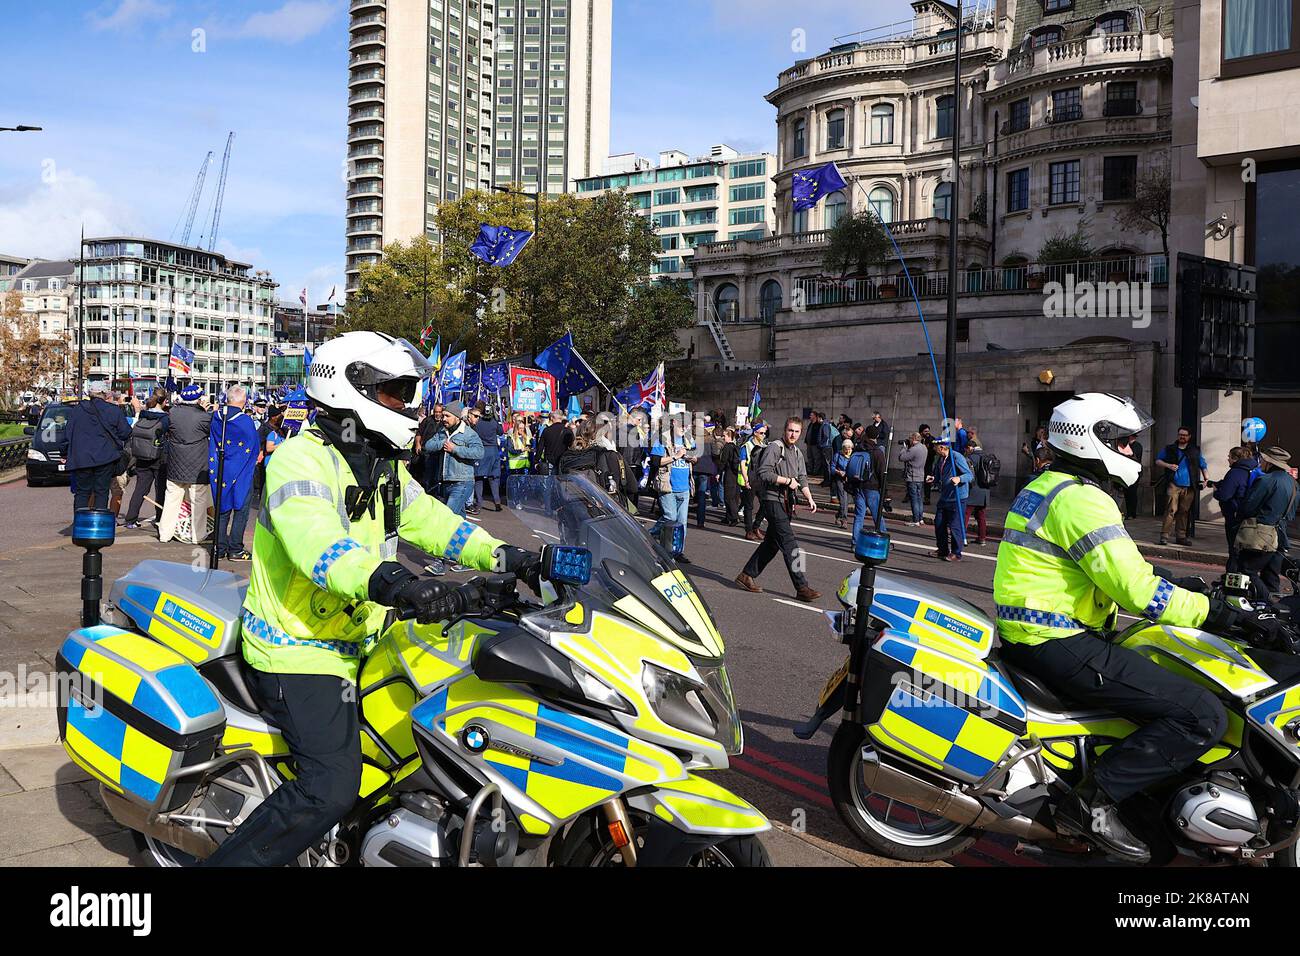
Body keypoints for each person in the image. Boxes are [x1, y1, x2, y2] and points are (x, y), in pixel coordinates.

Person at [204, 332, 539, 867]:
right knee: (330, 785)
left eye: (408, 392)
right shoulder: (299, 460)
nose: (406, 405)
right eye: (396, 392)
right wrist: (395, 583)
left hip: (367, 638)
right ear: (348, 390)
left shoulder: (381, 464)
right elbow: (319, 546)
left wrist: (510, 557)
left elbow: (436, 524)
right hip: (300, 650)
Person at [993, 393, 1284, 863]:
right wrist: (1221, 615)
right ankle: (1091, 804)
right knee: (1200, 715)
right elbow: (1139, 595)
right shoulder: (1083, 501)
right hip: (1057, 640)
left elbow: (1112, 566)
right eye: (1125, 442)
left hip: (1041, 635)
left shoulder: (1051, 485)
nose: (1132, 452)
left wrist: (1179, 581)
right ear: (1093, 441)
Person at [734, 417, 820, 602]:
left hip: (786, 502)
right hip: (772, 500)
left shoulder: (797, 452)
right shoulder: (775, 447)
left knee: (772, 544)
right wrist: (787, 481)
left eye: (797, 432)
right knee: (790, 545)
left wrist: (810, 498)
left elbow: (802, 478)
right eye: (790, 430)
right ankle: (802, 587)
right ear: (784, 430)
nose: (793, 434)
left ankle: (746, 575)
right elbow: (764, 473)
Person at [1234, 446, 1298, 596]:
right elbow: (1292, 513)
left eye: (1262, 459)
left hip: (1261, 533)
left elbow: (1248, 507)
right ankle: (1270, 605)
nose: (1260, 462)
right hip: (1280, 534)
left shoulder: (1266, 480)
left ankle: (1264, 600)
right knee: (1271, 575)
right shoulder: (1293, 483)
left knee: (1247, 570)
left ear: (1270, 463)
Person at [65, 381, 135, 516]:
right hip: (105, 457)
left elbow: (68, 434)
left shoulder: (77, 410)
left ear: (90, 394)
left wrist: (65, 452)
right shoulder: (113, 410)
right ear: (105, 393)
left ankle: (80, 526)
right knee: (101, 492)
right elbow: (125, 433)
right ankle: (98, 526)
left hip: (81, 458)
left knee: (82, 493)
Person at [208, 385, 260, 561]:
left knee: (222, 510)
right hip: (242, 471)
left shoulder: (216, 417)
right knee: (241, 510)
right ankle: (235, 548)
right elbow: (253, 445)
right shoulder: (245, 420)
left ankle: (219, 547)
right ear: (244, 401)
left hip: (222, 469)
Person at [158, 385, 214, 545]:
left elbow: (164, 429)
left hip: (175, 463)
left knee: (171, 500)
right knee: (198, 502)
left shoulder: (172, 414)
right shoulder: (203, 417)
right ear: (198, 399)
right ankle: (198, 535)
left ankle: (164, 534)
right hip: (197, 466)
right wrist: (204, 410)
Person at [426, 400, 483, 519]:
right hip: (445, 482)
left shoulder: (469, 434)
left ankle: (441, 538)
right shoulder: (442, 432)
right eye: (443, 416)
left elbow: (479, 452)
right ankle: (464, 537)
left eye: (447, 416)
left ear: (457, 417)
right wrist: (442, 443)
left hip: (462, 482)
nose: (443, 419)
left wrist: (456, 449)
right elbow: (428, 445)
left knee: (447, 516)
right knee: (459, 519)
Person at [123, 390, 171, 529]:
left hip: (142, 455)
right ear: (163, 402)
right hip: (159, 456)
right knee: (160, 489)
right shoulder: (165, 418)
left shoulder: (144, 414)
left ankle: (131, 519)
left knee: (140, 489)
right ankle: (160, 518)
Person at [1155, 426, 1207, 546]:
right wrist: (1168, 465)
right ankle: (1164, 536)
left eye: (1184, 435)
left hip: (1189, 486)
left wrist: (1206, 479)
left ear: (1189, 437)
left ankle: (1181, 536)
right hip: (1174, 483)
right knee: (1171, 510)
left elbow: (1203, 464)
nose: (1181, 437)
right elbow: (1158, 461)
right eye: (1180, 434)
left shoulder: (1194, 450)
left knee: (1184, 511)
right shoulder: (1170, 449)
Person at [1211, 445, 1259, 569]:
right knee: (1244, 551)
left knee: (1234, 551)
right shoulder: (1253, 469)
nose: (1228, 459)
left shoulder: (1235, 472)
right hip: (1249, 515)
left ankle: (1232, 578)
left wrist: (1216, 491)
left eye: (1229, 457)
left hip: (1235, 516)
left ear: (1235, 458)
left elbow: (1224, 495)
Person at [648, 438, 694, 564]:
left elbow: (695, 458)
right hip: (667, 486)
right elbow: (656, 461)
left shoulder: (689, 440)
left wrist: (692, 459)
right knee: (670, 517)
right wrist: (676, 456)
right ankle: (649, 534)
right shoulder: (661, 440)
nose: (686, 427)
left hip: (684, 487)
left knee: (682, 522)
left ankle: (678, 552)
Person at [927, 438, 972, 561]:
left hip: (957, 498)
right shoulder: (940, 459)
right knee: (939, 523)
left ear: (941, 448)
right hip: (945, 497)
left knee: (955, 526)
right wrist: (934, 479)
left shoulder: (956, 457)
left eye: (935, 447)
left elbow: (969, 475)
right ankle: (942, 550)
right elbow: (939, 474)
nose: (934, 449)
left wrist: (959, 479)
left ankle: (956, 553)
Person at [470, 403, 504, 514]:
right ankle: (497, 502)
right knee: (493, 477)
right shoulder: (494, 422)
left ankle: (479, 503)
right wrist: (497, 419)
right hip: (493, 451)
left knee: (479, 477)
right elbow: (501, 432)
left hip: (482, 451)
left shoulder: (478, 423)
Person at [739, 422, 768, 541]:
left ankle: (756, 527)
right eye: (761, 433)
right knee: (749, 506)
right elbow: (742, 464)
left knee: (766, 503)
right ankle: (749, 531)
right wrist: (746, 480)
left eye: (764, 433)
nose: (763, 435)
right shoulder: (746, 446)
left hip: (761, 479)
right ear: (755, 433)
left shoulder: (764, 446)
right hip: (750, 479)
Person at [963, 432, 990, 546]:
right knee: (981, 516)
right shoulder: (987, 456)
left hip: (974, 490)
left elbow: (969, 475)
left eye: (967, 449)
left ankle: (961, 536)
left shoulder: (971, 458)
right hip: (985, 490)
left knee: (966, 514)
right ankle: (982, 538)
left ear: (970, 447)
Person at [414, 402, 445, 497]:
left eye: (439, 412)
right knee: (424, 476)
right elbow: (419, 433)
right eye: (436, 412)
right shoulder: (427, 420)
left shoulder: (445, 422)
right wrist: (418, 444)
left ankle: (434, 495)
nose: (437, 414)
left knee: (435, 477)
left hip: (438, 454)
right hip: (425, 453)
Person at [898, 431, 928, 526]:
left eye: (910, 439)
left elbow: (902, 457)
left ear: (913, 439)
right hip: (920, 476)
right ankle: (920, 518)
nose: (909, 441)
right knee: (919, 498)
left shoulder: (914, 449)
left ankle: (916, 520)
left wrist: (904, 447)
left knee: (914, 499)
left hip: (912, 477)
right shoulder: (924, 447)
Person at [717, 427, 742, 526]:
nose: (723, 438)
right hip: (736, 473)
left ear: (729, 436)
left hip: (729, 473)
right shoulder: (736, 447)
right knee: (735, 496)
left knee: (728, 497)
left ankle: (734, 517)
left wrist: (719, 473)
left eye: (724, 436)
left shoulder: (727, 447)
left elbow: (723, 462)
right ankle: (728, 517)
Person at [1114, 433, 1143, 519]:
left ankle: (1132, 513)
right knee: (1126, 493)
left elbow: (1132, 455)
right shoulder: (1124, 445)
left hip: (1133, 471)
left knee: (1132, 493)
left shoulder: (1136, 446)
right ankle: (1128, 512)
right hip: (1125, 471)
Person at [537, 409, 572, 475]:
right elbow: (571, 446)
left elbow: (540, 448)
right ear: (561, 418)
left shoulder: (546, 430)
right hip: (563, 462)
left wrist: (536, 461)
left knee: (550, 483)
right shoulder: (568, 431)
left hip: (550, 462)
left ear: (552, 418)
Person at [830, 438, 852, 529]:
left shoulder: (853, 456)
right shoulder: (837, 455)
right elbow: (832, 467)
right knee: (843, 500)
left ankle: (839, 515)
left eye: (849, 448)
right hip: (840, 479)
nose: (847, 450)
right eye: (846, 448)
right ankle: (844, 520)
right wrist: (839, 472)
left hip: (849, 480)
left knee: (847, 501)